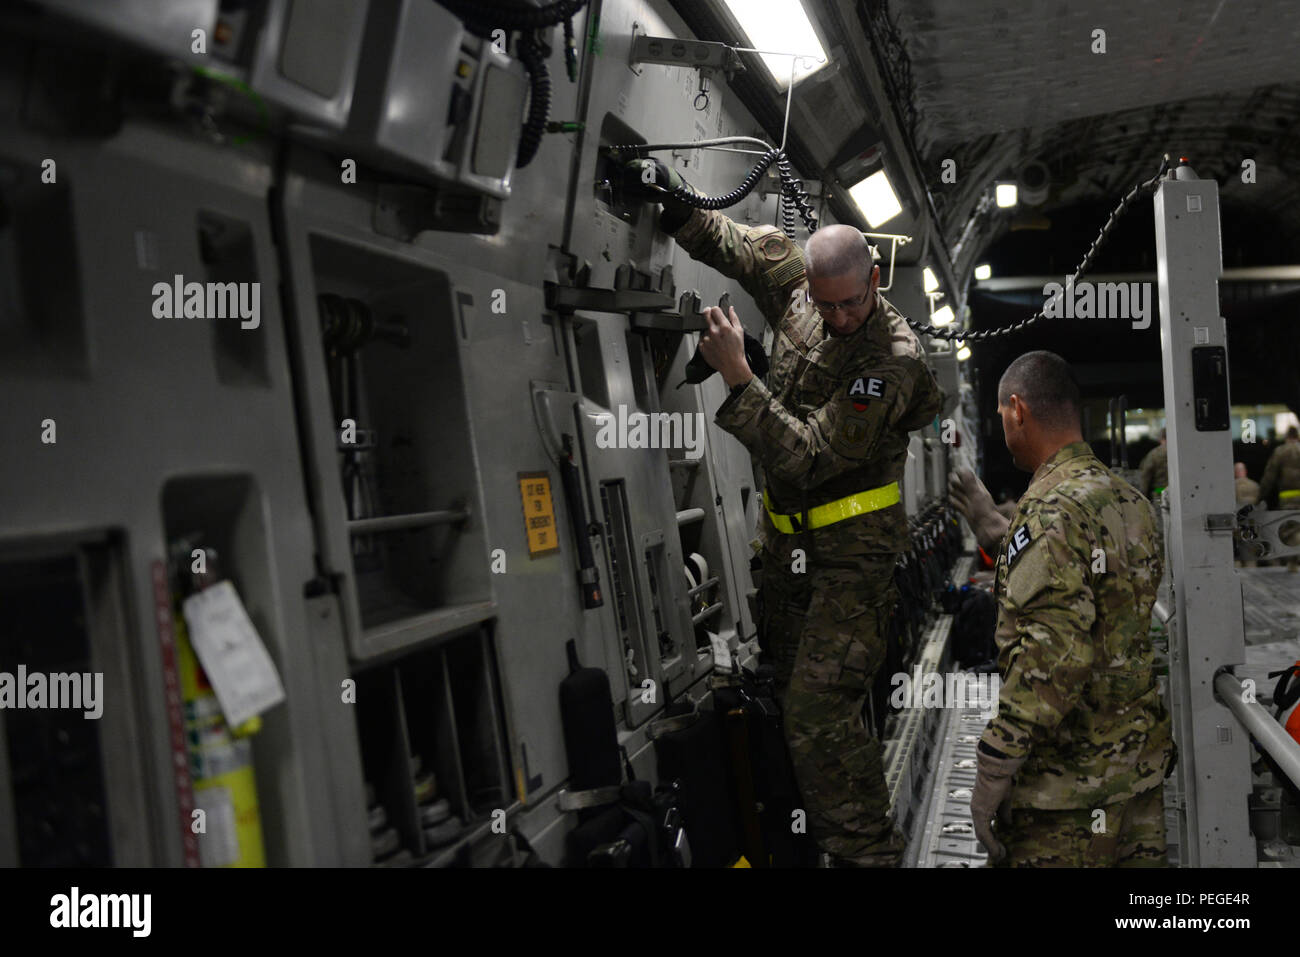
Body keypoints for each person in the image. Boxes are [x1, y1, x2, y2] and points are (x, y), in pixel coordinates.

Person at [634, 157, 944, 866]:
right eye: (826, 303)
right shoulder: (800, 286)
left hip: (851, 566)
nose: (837, 318)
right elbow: (737, 245)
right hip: (786, 552)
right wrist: (671, 199)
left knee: (817, 712)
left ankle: (870, 853)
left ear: (875, 281)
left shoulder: (889, 363)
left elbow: (804, 455)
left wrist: (741, 374)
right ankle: (800, 844)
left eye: (851, 305)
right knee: (784, 696)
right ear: (809, 283)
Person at [952, 351, 1173, 866]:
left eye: (1001, 416)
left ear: (1017, 409)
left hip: (1066, 796)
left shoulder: (1048, 510)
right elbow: (1100, 609)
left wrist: (994, 764)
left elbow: (1051, 659)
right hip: (1137, 778)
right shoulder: (1128, 500)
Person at [1259, 426, 1300, 572]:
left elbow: (1269, 476)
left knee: (1290, 529)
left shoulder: (1280, 452)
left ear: (1286, 437)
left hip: (1288, 498)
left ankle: (1293, 563)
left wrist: (1261, 496)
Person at [1235, 462, 1261, 567]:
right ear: (1245, 471)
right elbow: (1260, 504)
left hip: (1237, 524)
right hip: (1252, 523)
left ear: (1235, 472)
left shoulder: (1231, 486)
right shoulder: (1255, 485)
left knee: (1236, 552)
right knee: (1251, 551)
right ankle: (1252, 569)